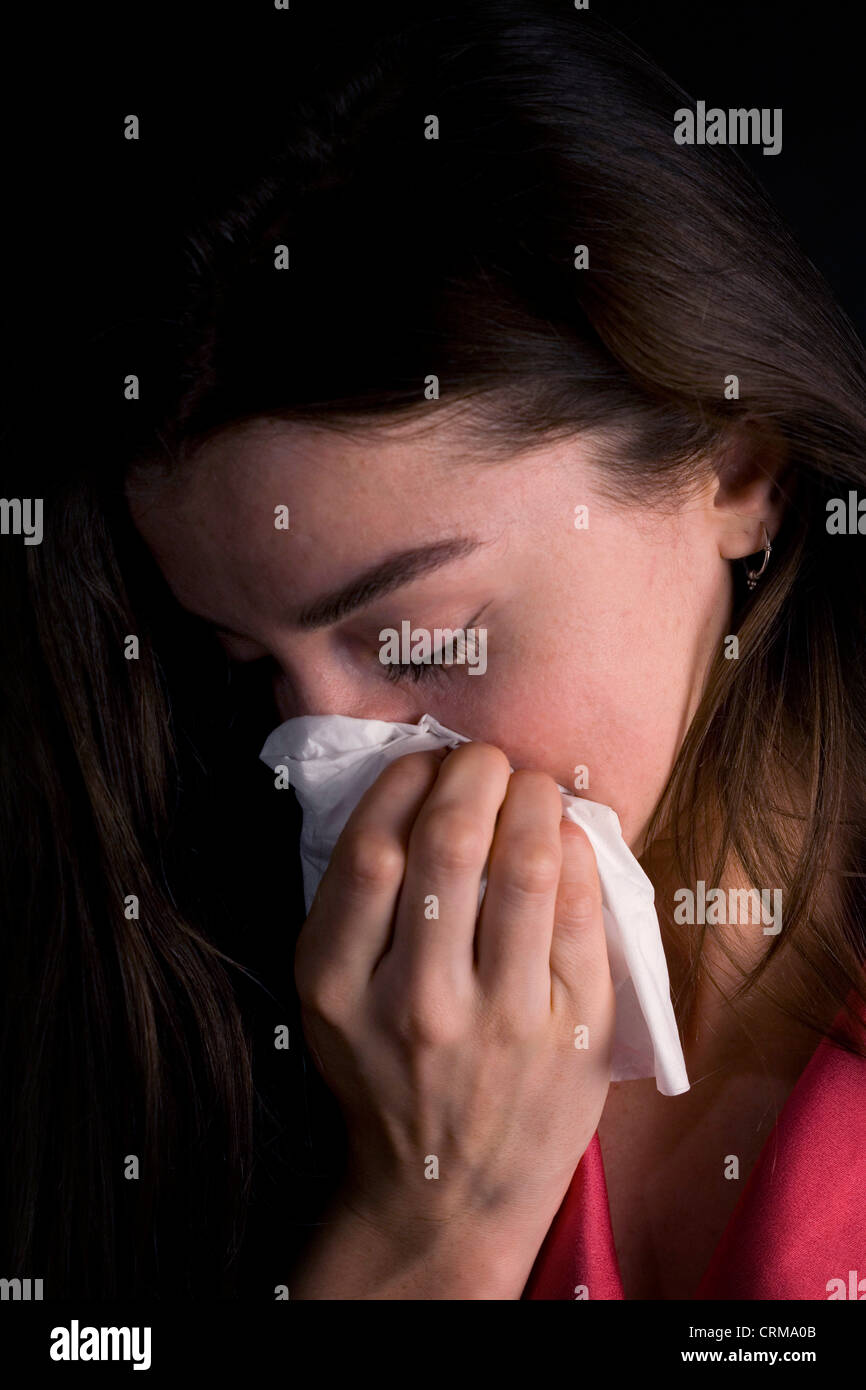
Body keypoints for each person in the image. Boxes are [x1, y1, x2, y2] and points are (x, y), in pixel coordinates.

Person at [2, 0, 865, 1300]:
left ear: (733, 465)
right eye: (252, 670)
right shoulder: (195, 1026)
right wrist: (428, 1229)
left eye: (423, 635)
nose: (323, 760)